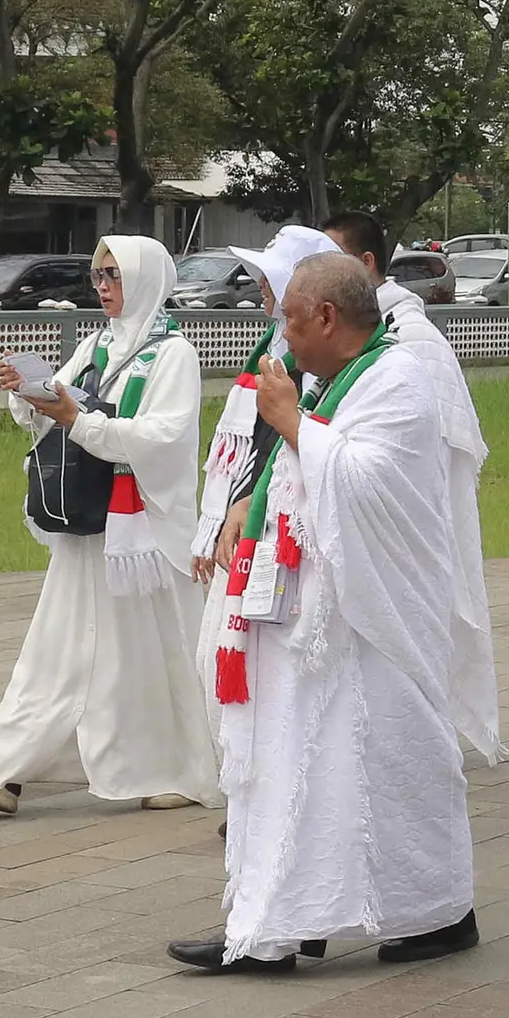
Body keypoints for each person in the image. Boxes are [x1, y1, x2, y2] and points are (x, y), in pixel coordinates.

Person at [167, 252, 480, 972]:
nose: (283, 332)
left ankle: (434, 913)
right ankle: (281, 916)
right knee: (293, 763)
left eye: (290, 317)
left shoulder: (398, 377)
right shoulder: (337, 378)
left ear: (328, 318)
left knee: (387, 766)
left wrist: (291, 421)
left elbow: (371, 483)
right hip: (306, 614)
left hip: (373, 620)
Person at [0, 236, 221, 815]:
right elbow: (57, 401)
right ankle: (7, 768)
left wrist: (80, 419)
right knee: (56, 647)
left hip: (141, 532)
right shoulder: (94, 345)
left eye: (114, 274)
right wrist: (28, 393)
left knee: (150, 656)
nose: (104, 286)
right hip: (89, 523)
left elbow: (163, 437)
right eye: (97, 276)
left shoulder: (172, 356)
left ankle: (187, 771)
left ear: (142, 278)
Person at [323, 208, 504, 764]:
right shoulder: (354, 332)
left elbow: (442, 446)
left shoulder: (412, 337)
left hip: (412, 508)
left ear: (366, 263)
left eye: (329, 259)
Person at [193, 226, 339, 733]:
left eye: (267, 276)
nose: (257, 285)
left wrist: (249, 499)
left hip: (280, 534)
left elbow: (299, 443)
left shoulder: (314, 363)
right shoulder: (274, 346)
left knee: (249, 664)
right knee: (219, 658)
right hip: (252, 519)